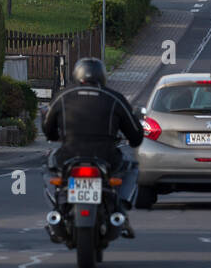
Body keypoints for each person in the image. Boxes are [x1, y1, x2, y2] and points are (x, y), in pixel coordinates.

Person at [43, 57, 144, 229]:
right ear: (102, 76)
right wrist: (132, 138)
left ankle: (58, 206)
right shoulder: (115, 98)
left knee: (49, 167)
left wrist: (54, 136)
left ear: (77, 75)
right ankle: (121, 208)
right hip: (106, 157)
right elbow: (136, 135)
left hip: (69, 155)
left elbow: (47, 126)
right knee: (132, 167)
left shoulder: (63, 96)